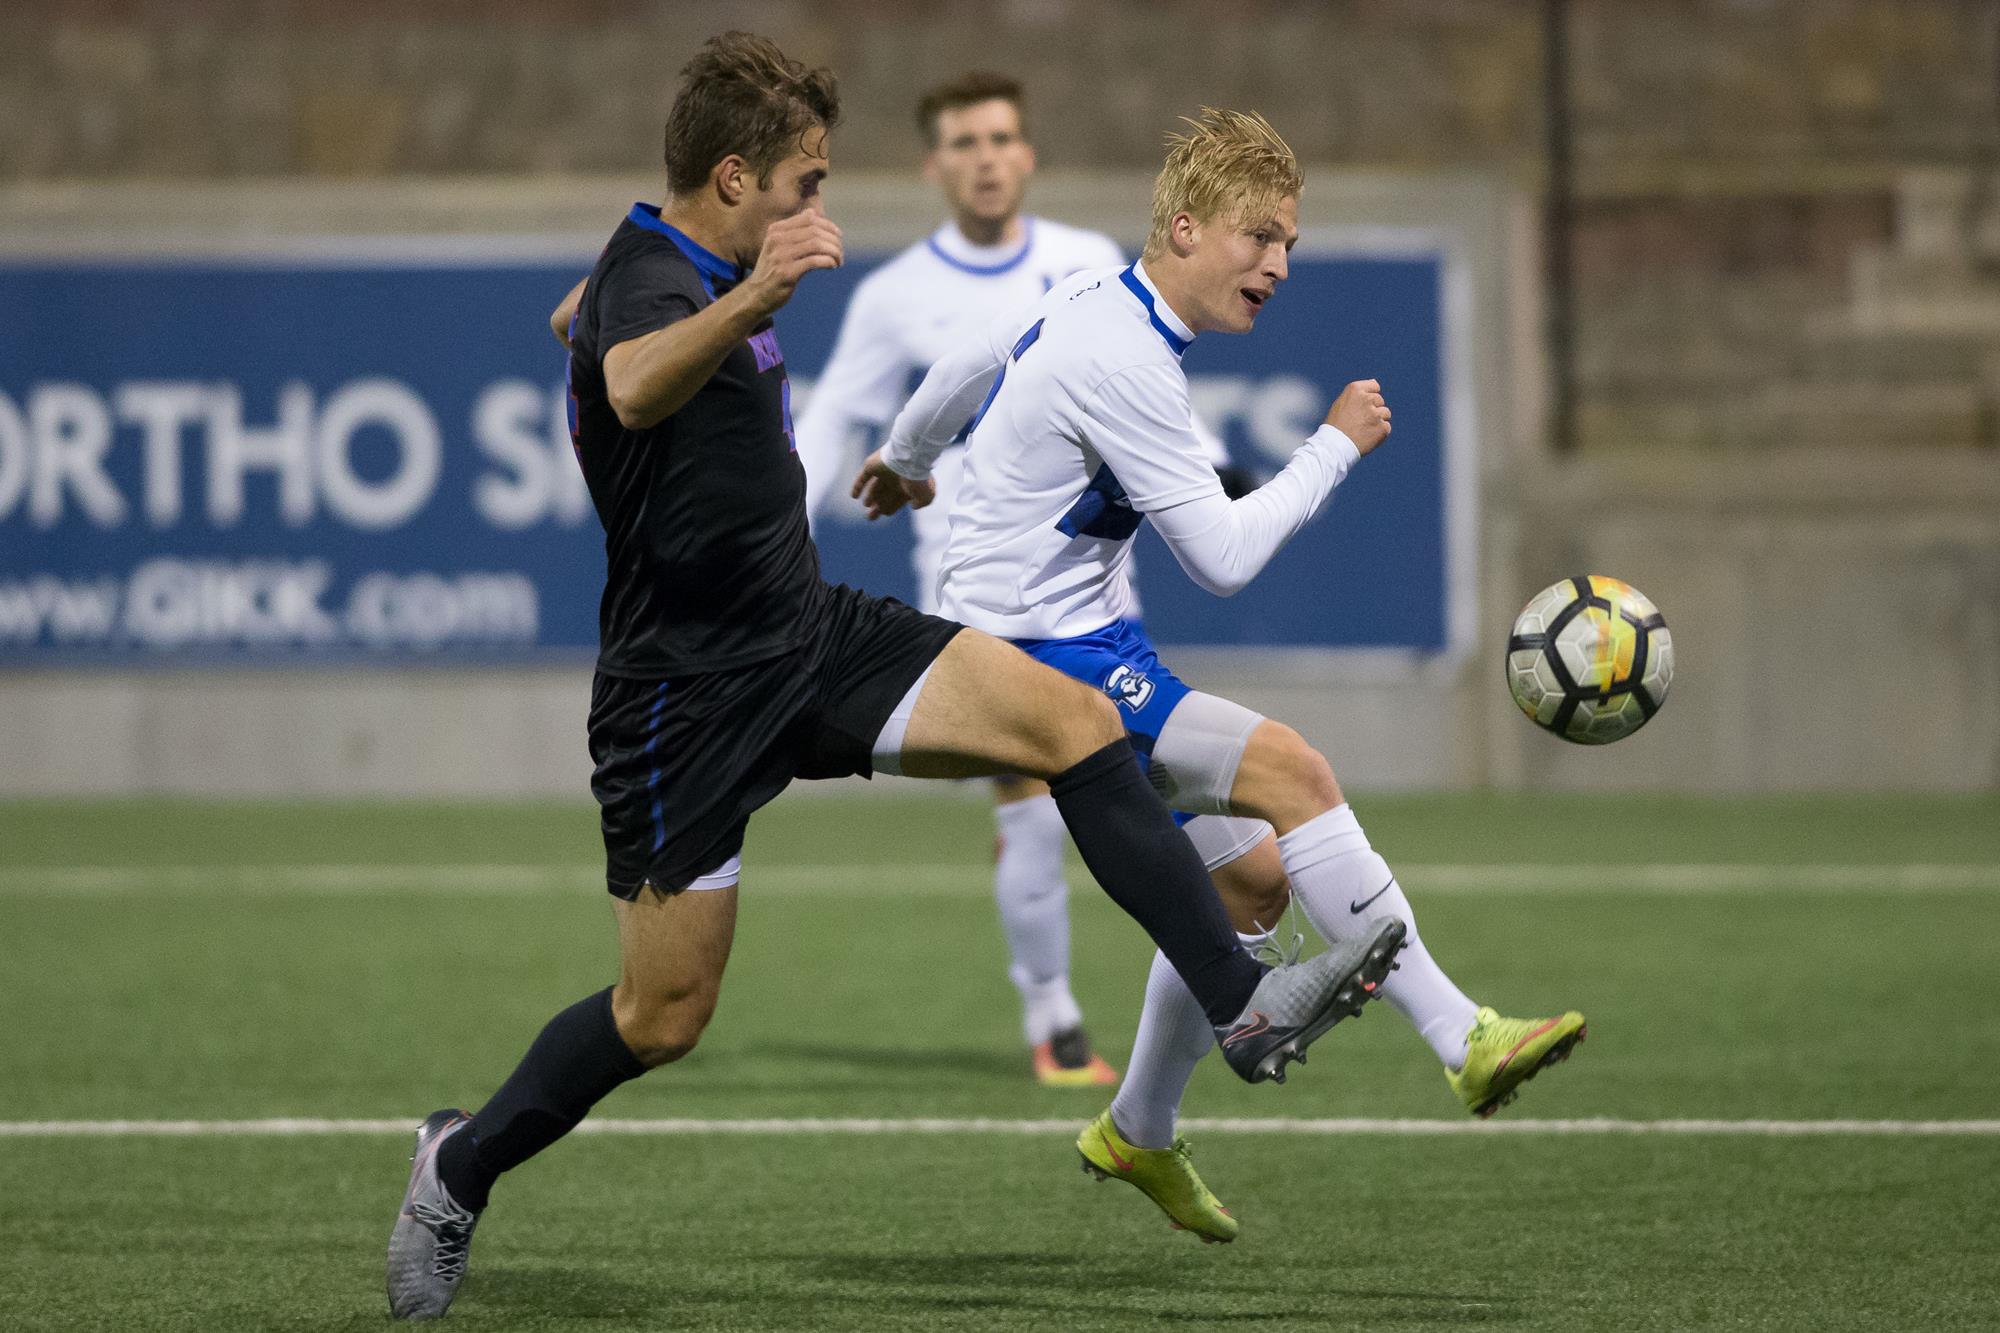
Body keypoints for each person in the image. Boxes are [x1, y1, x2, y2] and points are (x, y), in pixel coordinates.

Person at [386, 38, 1402, 1321]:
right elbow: (631, 384)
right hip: (682, 698)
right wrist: (745, 300)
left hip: (810, 634)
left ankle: (1241, 1003)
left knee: (1072, 719)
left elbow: (588, 328)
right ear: (735, 175)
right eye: (803, 183)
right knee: (662, 1014)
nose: (819, 207)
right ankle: (457, 1166)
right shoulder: (676, 279)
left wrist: (658, 309)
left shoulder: (660, 265)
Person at [855, 106, 1586, 1246]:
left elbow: (965, 361)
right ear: (1185, 230)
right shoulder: (1125, 358)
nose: (1277, 265)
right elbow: (1225, 560)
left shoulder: (1092, 295)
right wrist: (1333, 443)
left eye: (1288, 243)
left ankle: (1136, 1130)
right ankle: (1463, 1038)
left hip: (1078, 639)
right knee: (1294, 772)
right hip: (1034, 663)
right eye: (1258, 238)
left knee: (1247, 886)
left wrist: (903, 461)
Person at [796, 71, 1255, 1087]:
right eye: (962, 142)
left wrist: (1217, 460)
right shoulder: (892, 296)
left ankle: (1225, 984)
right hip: (975, 596)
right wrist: (781, 503)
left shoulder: (1083, 263)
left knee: (1154, 797)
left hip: (1094, 582)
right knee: (1029, 799)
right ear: (934, 164)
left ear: (1027, 152)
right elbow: (836, 415)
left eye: (1000, 137)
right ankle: (1053, 1016)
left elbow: (1156, 394)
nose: (985, 157)